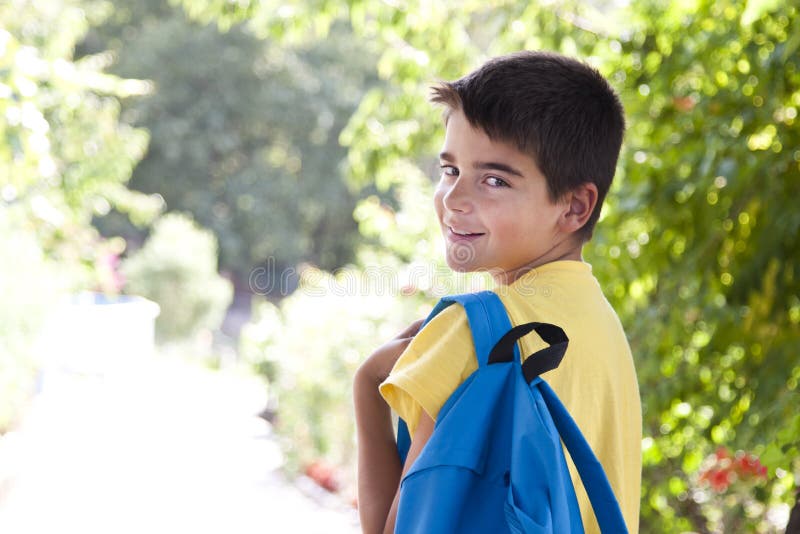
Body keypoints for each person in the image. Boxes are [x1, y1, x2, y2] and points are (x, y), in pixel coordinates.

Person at [353, 50, 641, 534]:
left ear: (574, 206)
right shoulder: (603, 325)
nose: (454, 200)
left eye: (493, 179)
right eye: (449, 170)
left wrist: (367, 384)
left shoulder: (475, 331)